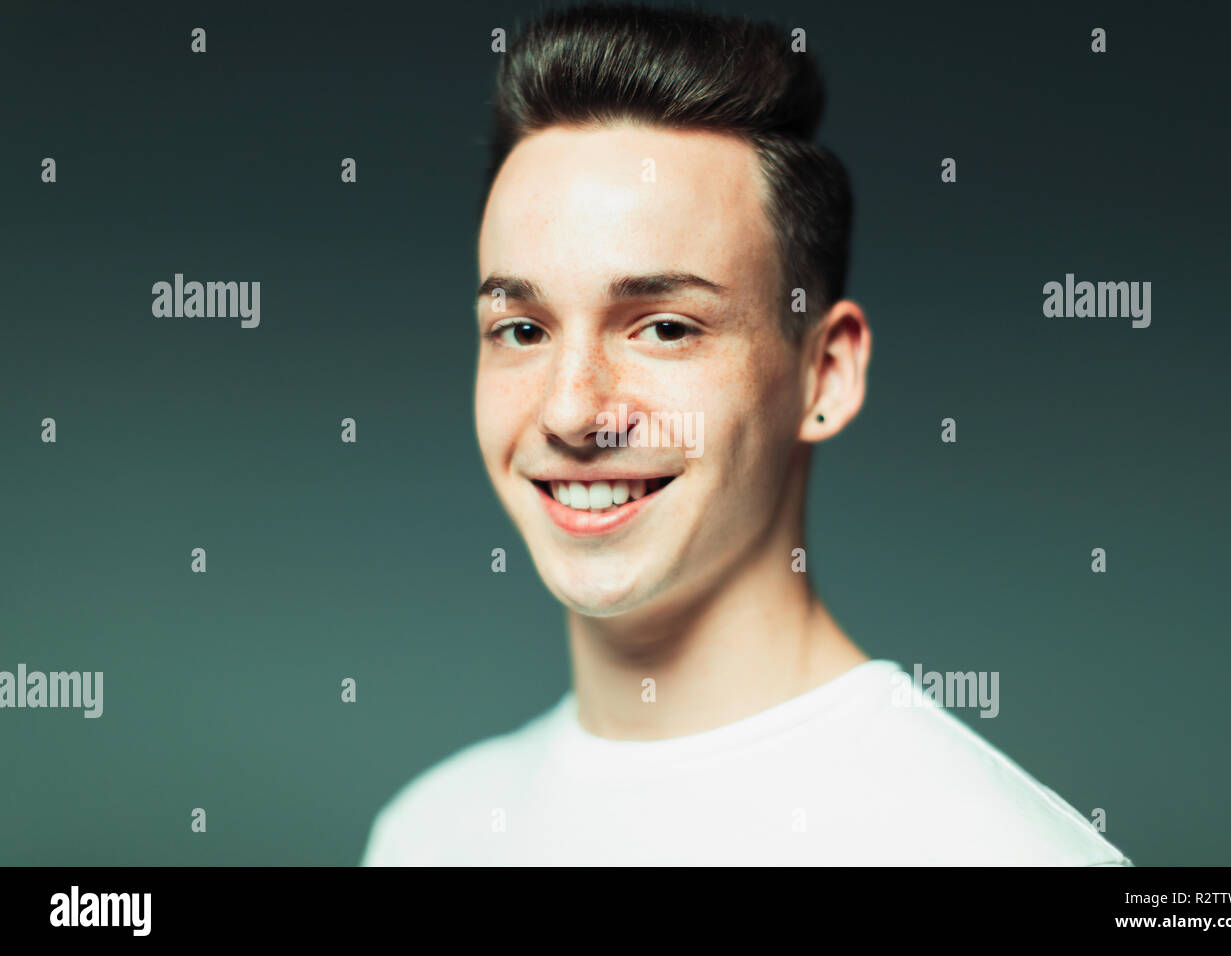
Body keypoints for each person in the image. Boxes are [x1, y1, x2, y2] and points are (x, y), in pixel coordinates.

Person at [362, 2, 1132, 866]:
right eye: (523, 330)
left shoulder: (996, 851)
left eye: (664, 327)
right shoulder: (427, 833)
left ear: (825, 374)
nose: (573, 412)